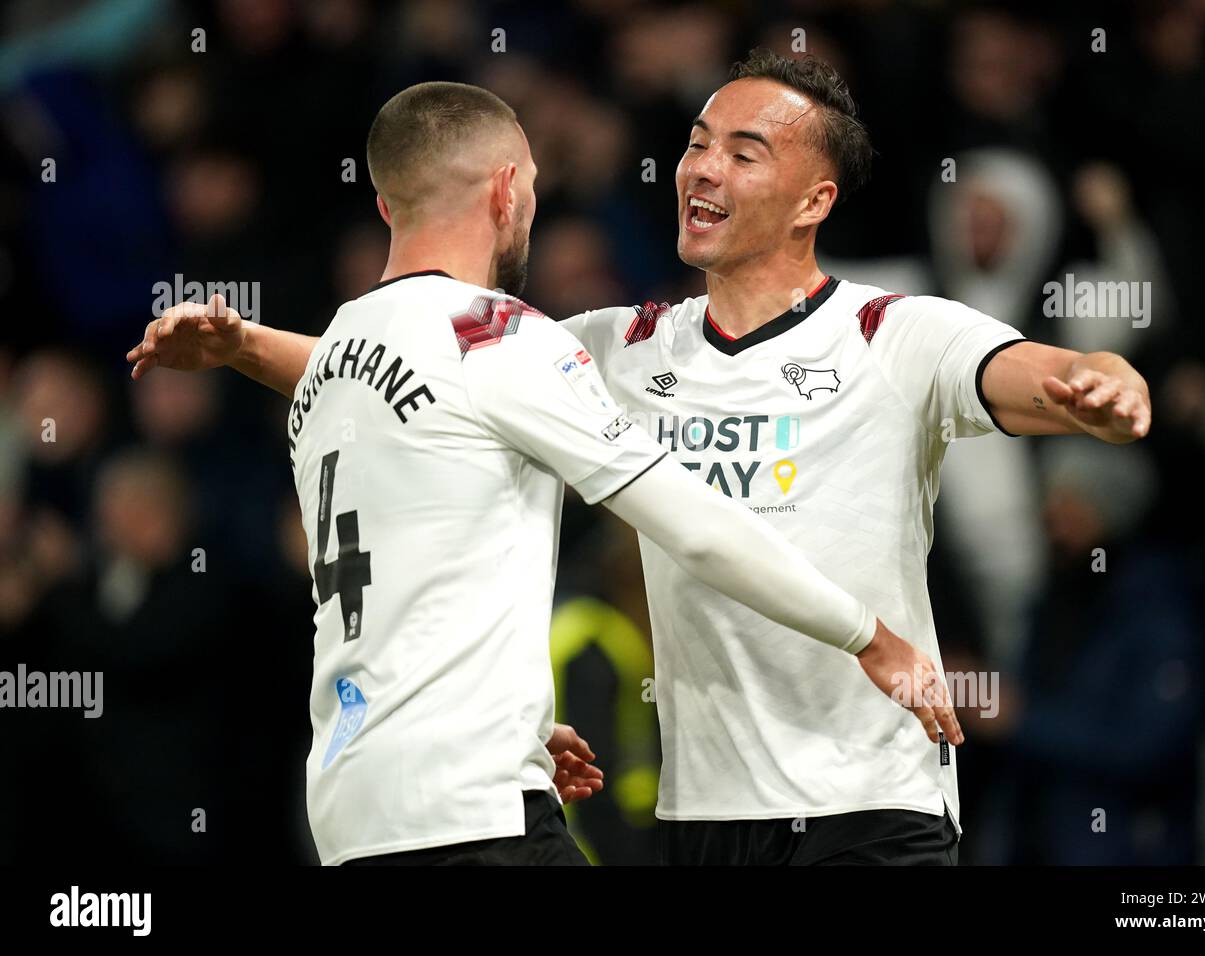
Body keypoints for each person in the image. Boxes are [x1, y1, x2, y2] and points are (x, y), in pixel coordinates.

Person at [130, 51, 1150, 866]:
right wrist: (247, 346)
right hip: (703, 810)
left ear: (813, 201)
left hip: (868, 796)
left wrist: (1106, 379)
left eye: (744, 153)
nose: (701, 168)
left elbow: (1044, 372)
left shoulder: (896, 331)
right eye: (697, 144)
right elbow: (431, 365)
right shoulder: (618, 346)